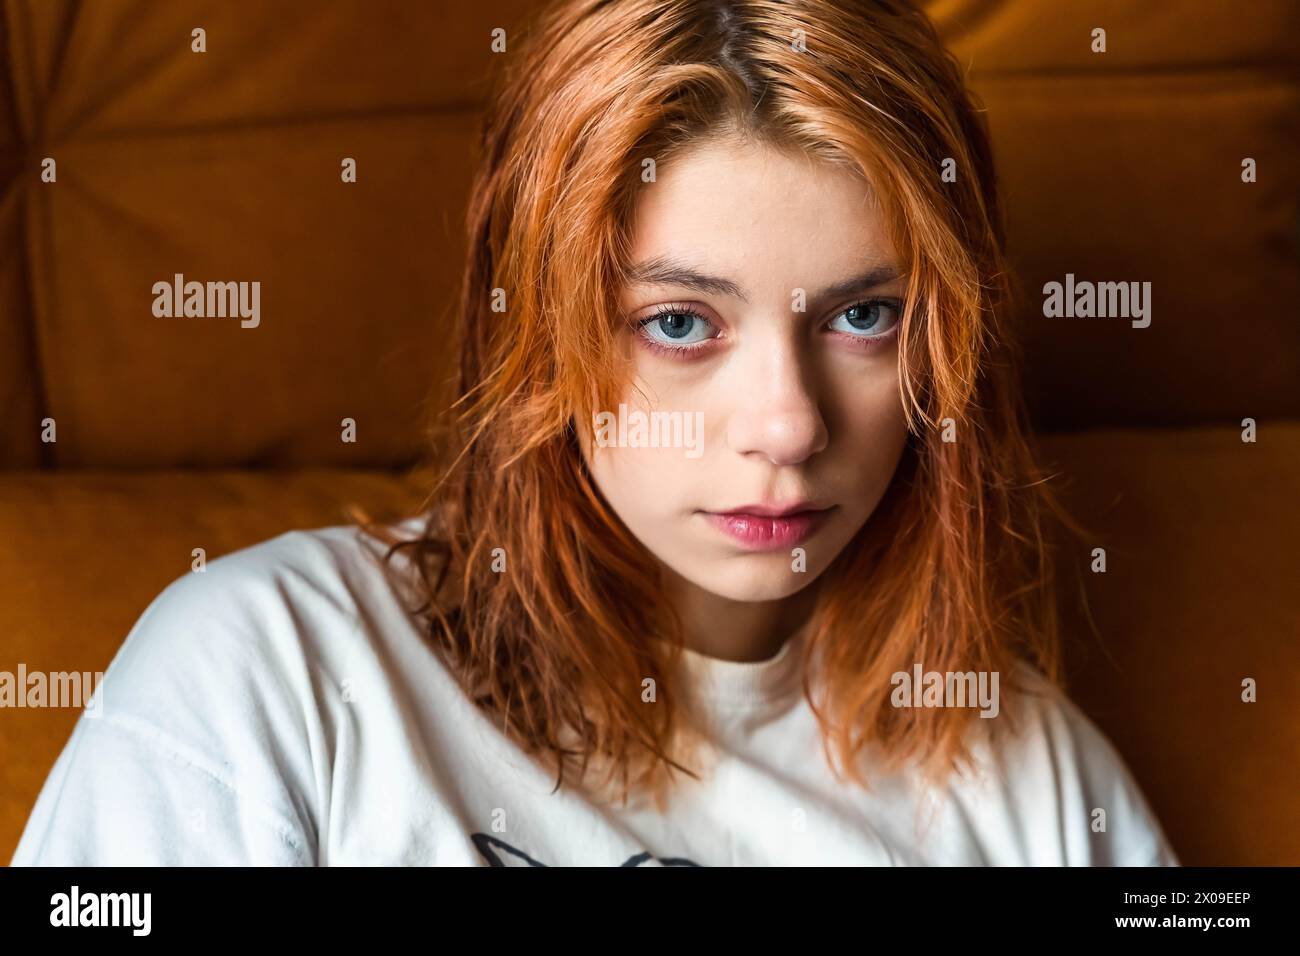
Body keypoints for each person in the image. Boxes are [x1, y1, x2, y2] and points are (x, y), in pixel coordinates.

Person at [12, 0, 1177, 866]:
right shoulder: (272, 673)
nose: (787, 422)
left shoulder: (1017, 766)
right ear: (539, 329)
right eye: (679, 321)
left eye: (865, 315)